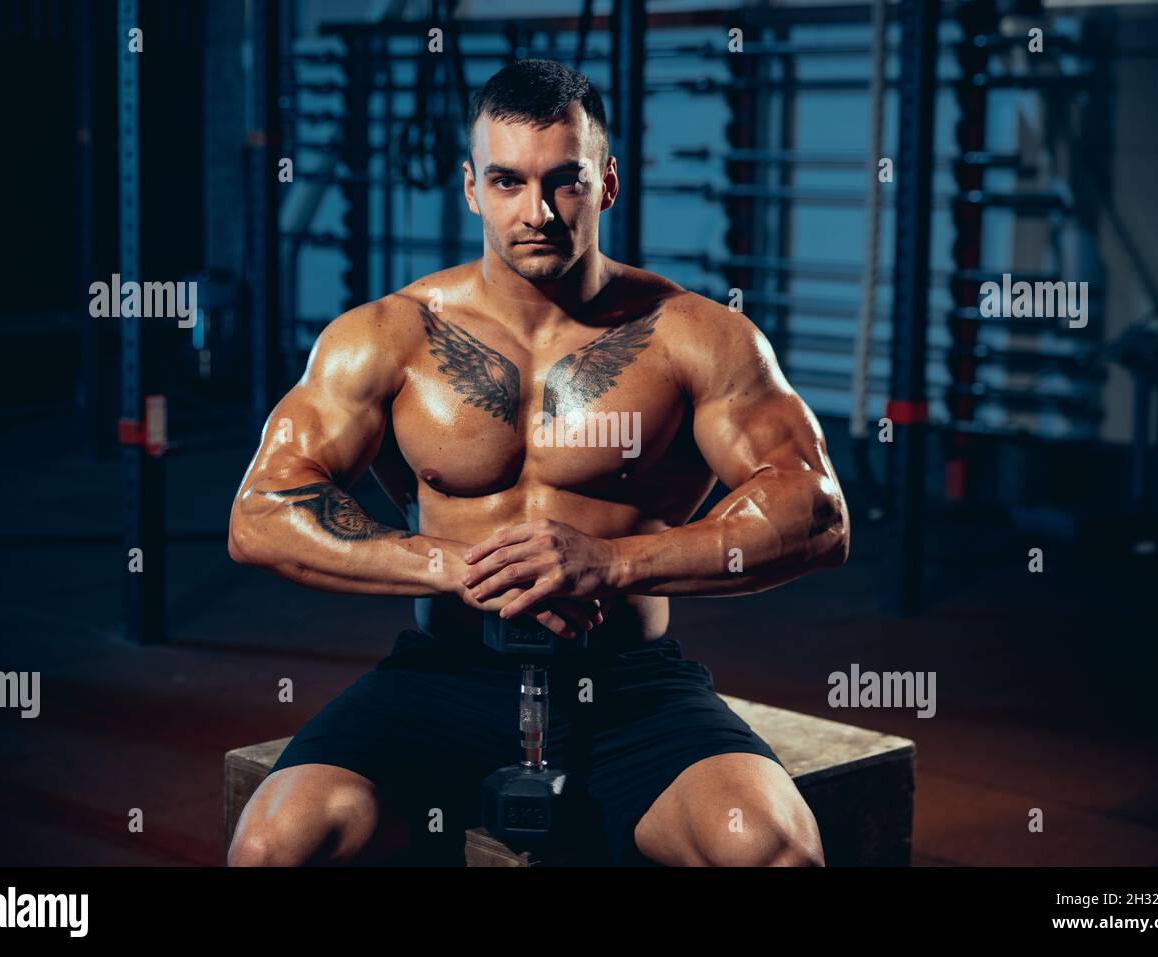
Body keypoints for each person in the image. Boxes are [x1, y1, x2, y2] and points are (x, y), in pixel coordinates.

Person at [226, 59, 849, 867]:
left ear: (608, 183)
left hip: (629, 685)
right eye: (508, 182)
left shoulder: (697, 336)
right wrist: (453, 564)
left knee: (776, 853)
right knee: (273, 847)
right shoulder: (387, 336)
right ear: (471, 188)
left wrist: (612, 562)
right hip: (445, 675)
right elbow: (261, 513)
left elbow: (816, 510)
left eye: (565, 181)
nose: (539, 212)